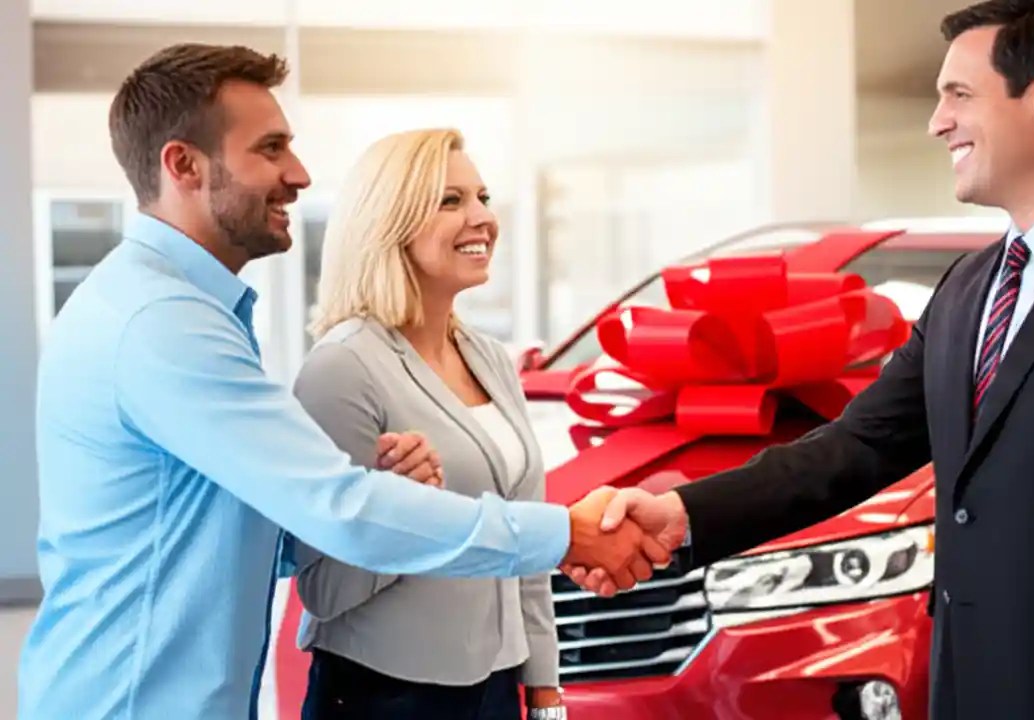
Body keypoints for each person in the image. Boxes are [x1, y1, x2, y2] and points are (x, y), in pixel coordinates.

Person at [567, 2, 1034, 718]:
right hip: (965, 687)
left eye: (958, 95)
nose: (937, 122)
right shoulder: (970, 287)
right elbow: (857, 444)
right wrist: (681, 513)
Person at [18, 43, 665, 720]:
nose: (299, 175)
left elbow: (265, 539)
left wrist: (391, 495)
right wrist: (567, 534)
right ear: (183, 164)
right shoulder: (164, 323)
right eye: (270, 150)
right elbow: (337, 514)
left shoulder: (188, 311)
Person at [289, 128, 565, 720]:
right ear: (388, 225)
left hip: (496, 689)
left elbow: (526, 540)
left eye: (483, 197)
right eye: (450, 201)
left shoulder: (489, 358)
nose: (482, 219)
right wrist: (399, 506)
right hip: (382, 695)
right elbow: (322, 590)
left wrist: (544, 689)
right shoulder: (341, 368)